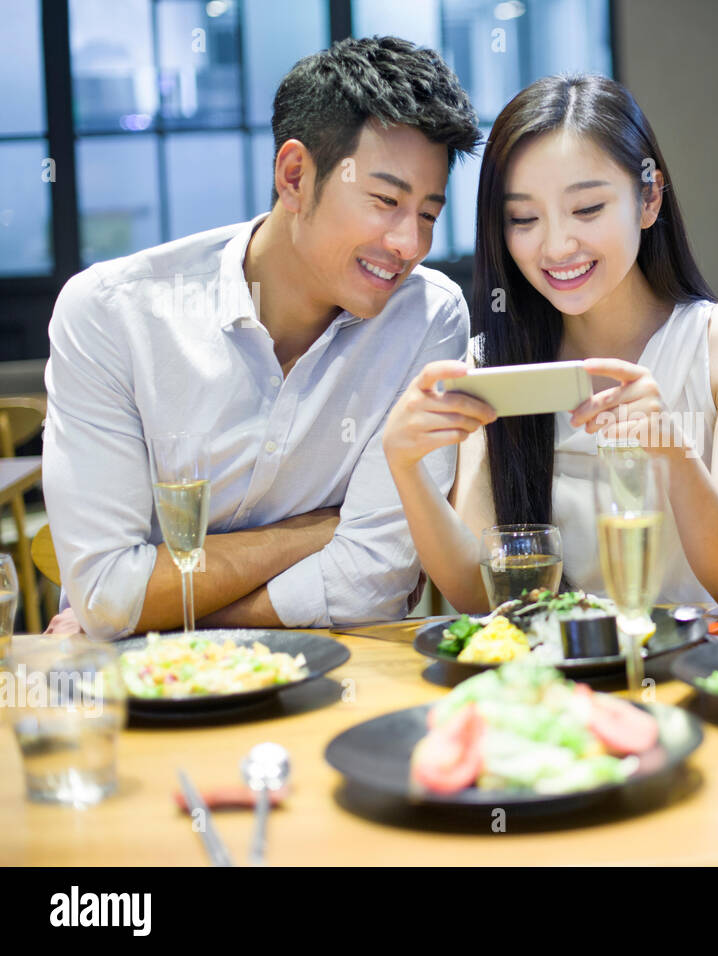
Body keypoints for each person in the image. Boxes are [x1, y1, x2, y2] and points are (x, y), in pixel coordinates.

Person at [42, 37, 480, 639]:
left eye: (429, 214)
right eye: (385, 201)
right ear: (295, 175)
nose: (409, 243)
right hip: (145, 694)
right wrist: (315, 531)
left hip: (335, 679)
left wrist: (158, 617)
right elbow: (109, 593)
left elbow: (371, 583)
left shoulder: (427, 319)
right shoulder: (114, 315)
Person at [382, 74, 718, 614]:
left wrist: (672, 451)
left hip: (689, 670)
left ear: (648, 198)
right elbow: (481, 596)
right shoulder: (494, 361)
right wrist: (405, 468)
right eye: (523, 219)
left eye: (587, 209)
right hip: (554, 682)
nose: (557, 246)